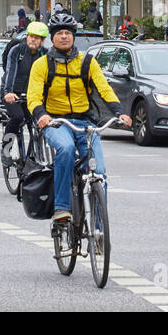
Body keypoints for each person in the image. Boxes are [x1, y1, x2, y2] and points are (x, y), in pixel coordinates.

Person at [27, 13, 132, 223]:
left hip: (85, 123)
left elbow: (104, 89)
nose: (64, 37)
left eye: (68, 33)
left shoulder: (87, 62)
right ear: (52, 38)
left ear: (73, 36)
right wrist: (41, 115)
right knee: (65, 150)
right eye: (59, 34)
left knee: (99, 174)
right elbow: (33, 97)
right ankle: (62, 209)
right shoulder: (41, 65)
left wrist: (120, 112)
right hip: (56, 122)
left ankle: (100, 230)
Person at [0, 20, 49, 166]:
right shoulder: (17, 50)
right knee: (17, 117)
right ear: (27, 36)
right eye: (31, 36)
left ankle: (31, 158)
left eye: (37, 37)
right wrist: (8, 92)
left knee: (37, 124)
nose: (33, 39)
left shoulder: (44, 55)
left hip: (31, 95)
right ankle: (6, 150)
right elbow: (10, 71)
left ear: (42, 41)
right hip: (12, 92)